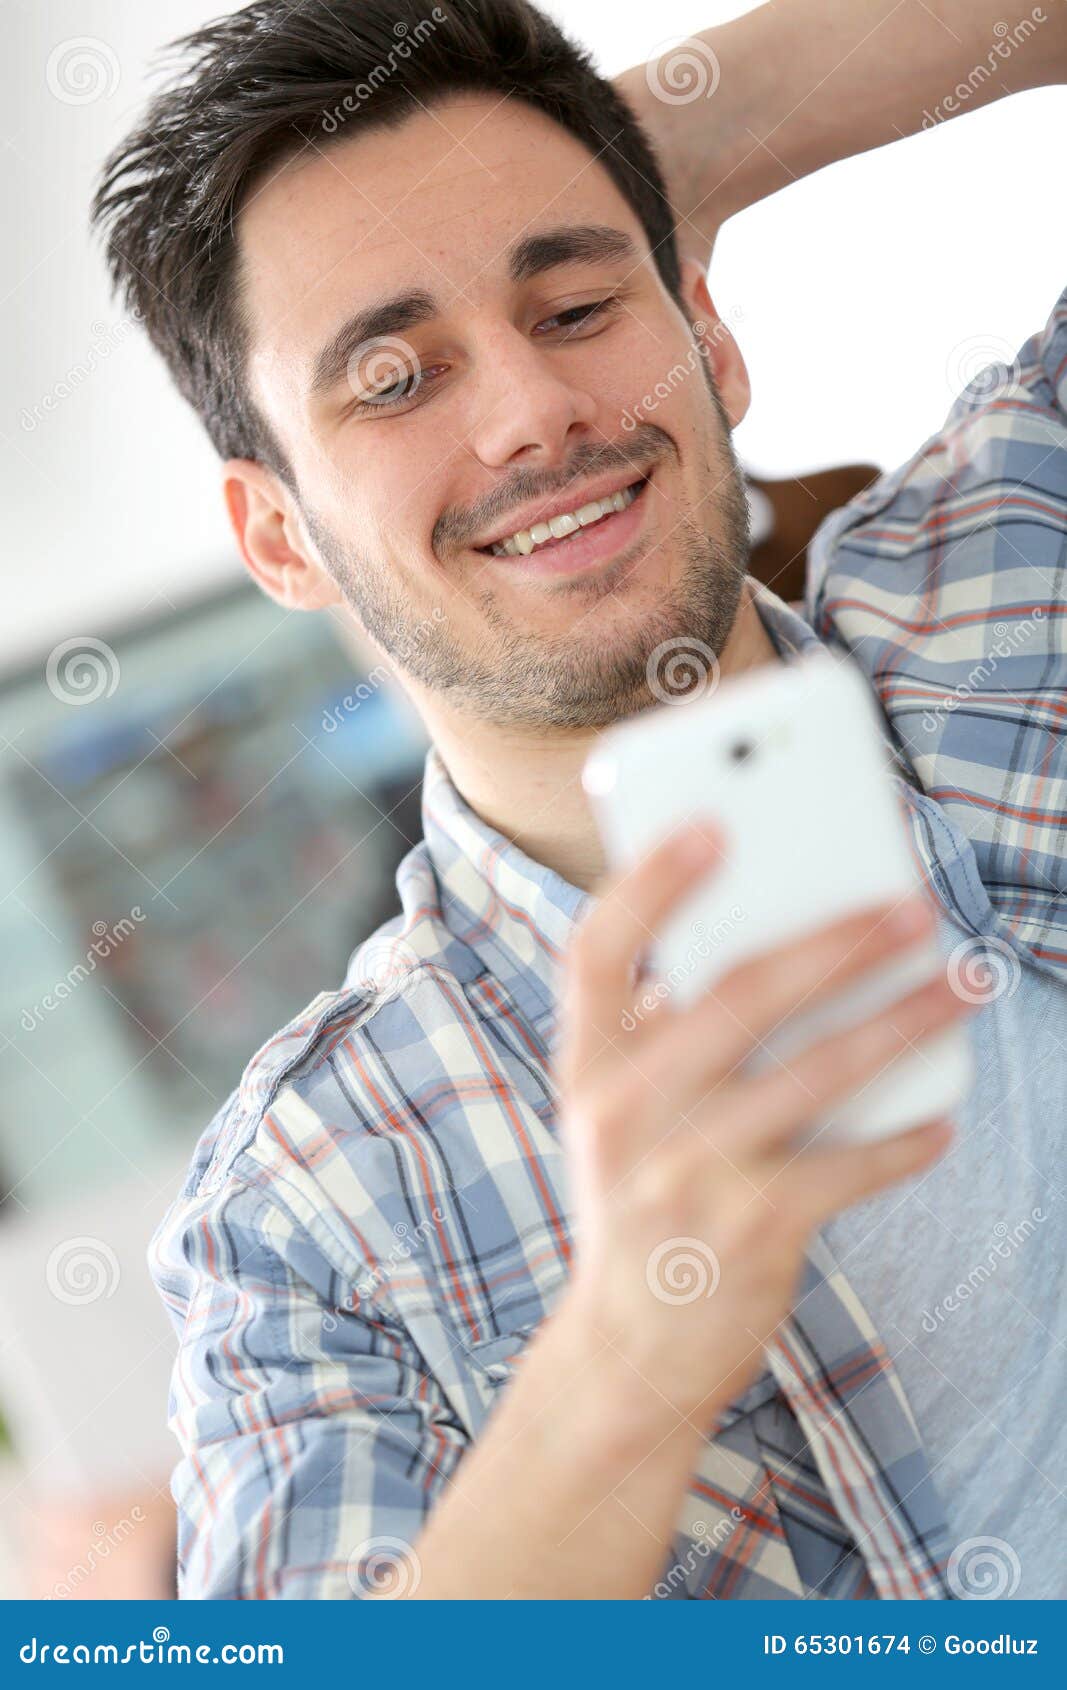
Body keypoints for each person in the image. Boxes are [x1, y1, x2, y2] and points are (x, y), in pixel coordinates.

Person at [92, 0, 1067, 1598]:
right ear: (277, 537)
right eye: (397, 377)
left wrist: (693, 125)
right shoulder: (307, 1211)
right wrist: (626, 1362)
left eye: (574, 303)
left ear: (712, 336)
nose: (531, 414)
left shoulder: (1016, 560)